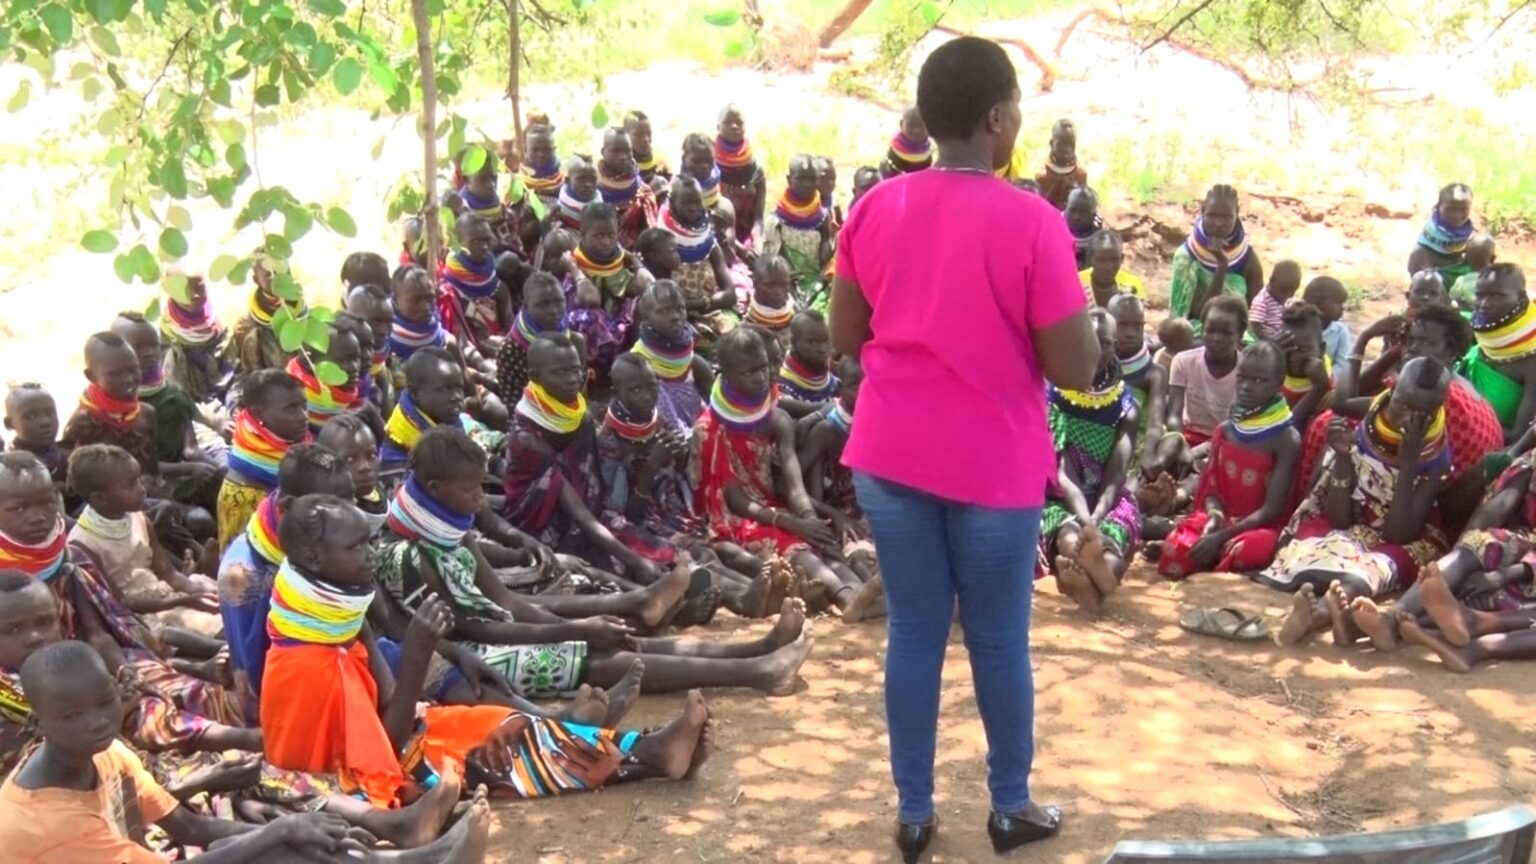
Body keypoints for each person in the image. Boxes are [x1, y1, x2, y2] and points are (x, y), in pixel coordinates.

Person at [829, 38, 1086, 858]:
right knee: (999, 637)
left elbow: (843, 333)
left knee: (913, 631)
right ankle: (1009, 807)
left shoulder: (875, 207)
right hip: (993, 463)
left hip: (892, 452)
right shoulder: (1035, 221)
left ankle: (913, 814)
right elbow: (1075, 366)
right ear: (998, 117)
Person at [264, 493, 720, 806]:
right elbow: (384, 748)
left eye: (368, 540)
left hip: (398, 737)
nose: (368, 553)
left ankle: (641, 747)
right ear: (316, 559)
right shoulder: (306, 660)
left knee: (503, 724)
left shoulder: (341, 619)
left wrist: (429, 662)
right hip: (350, 778)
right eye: (355, 546)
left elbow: (389, 703)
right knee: (490, 761)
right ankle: (647, 758)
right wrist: (420, 653)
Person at [384, 426, 813, 690]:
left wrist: (577, 628)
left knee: (617, 639)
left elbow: (509, 604)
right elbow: (476, 631)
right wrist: (572, 632)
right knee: (606, 660)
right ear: (437, 489)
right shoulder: (412, 554)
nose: (481, 499)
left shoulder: (450, 529)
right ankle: (757, 672)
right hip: (468, 658)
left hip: (498, 634)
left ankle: (757, 648)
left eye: (482, 487)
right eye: (471, 490)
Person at [0, 640, 497, 864]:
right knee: (269, 841)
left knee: (276, 841)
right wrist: (278, 831)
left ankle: (404, 860)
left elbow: (190, 827)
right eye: (72, 716)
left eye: (105, 701)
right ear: (39, 724)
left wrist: (290, 834)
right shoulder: (47, 824)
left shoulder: (104, 754)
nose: (97, 720)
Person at [690, 329, 883, 620]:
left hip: (775, 507)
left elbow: (793, 484)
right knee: (796, 548)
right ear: (726, 374)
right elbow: (734, 499)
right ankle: (849, 600)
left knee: (823, 541)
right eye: (748, 371)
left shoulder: (777, 418)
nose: (760, 377)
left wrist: (807, 518)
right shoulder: (709, 429)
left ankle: (862, 594)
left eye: (764, 367)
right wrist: (787, 520)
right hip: (735, 518)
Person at [1267, 358, 1452, 647]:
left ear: (1439, 408)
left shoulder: (1435, 456)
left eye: (1422, 413)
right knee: (1311, 543)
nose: (1408, 418)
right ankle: (1329, 613)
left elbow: (1398, 534)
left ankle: (1316, 616)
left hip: (1402, 536)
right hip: (1349, 522)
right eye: (1403, 404)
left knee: (1367, 572)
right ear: (1391, 389)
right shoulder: (1365, 420)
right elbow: (1339, 518)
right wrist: (1342, 457)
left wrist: (1408, 464)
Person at [1159, 341, 1299, 578]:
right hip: (1223, 519)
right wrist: (1215, 518)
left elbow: (1272, 510)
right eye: (1242, 377)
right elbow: (1212, 489)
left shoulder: (1286, 439)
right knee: (1177, 546)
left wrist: (1220, 536)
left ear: (1279, 383)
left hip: (1257, 527)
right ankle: (1208, 556)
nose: (1246, 387)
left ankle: (1214, 559)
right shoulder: (1226, 430)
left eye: (1259, 381)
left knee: (1247, 550)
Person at [1039, 310, 1139, 614]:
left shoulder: (1125, 407)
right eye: (1091, 342)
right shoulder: (1054, 398)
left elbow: (1115, 477)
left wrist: (1095, 520)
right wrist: (1086, 522)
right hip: (1061, 498)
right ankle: (1096, 585)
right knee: (1069, 535)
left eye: (1106, 343)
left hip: (1107, 501)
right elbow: (1062, 474)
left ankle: (1091, 579)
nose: (1097, 351)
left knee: (1112, 539)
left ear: (1115, 345)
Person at [66, 445, 221, 638]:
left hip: (165, 594)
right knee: (211, 630)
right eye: (131, 485)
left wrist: (198, 594)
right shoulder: (83, 544)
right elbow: (119, 603)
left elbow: (169, 573)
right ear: (100, 498)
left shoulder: (138, 518)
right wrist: (182, 602)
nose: (142, 489)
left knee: (227, 603)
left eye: (139, 480)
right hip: (136, 615)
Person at [215, 370, 310, 551]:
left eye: (304, 406)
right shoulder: (242, 495)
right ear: (258, 414)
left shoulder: (296, 440)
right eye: (291, 408)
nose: (303, 416)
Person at [379, 347, 505, 480]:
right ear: (414, 392)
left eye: (459, 388)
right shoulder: (401, 459)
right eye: (446, 389)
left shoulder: (446, 419)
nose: (456, 396)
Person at [566, 201, 651, 374]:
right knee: (591, 317)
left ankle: (635, 358)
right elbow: (590, 299)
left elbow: (646, 283)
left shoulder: (619, 255)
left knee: (646, 302)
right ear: (583, 234)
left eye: (611, 235)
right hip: (590, 328)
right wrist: (576, 272)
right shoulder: (574, 262)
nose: (606, 242)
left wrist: (638, 264)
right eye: (598, 236)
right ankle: (591, 372)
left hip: (616, 319)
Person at [1168, 185, 1263, 334]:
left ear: (1237, 214)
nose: (1218, 223)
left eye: (1226, 217)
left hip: (1237, 334)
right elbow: (1199, 315)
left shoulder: (1247, 259)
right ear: (1203, 211)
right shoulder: (1186, 258)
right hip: (1196, 332)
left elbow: (1257, 313)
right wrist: (1222, 266)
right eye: (1212, 215)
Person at [1461, 263, 1536, 439]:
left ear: (1521, 296)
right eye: (1479, 295)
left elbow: (1520, 434)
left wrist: (1465, 428)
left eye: (1497, 296)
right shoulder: (1473, 330)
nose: (1485, 304)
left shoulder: (1531, 361)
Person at [633, 281, 714, 437]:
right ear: (646, 317)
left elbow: (718, 405)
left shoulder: (693, 363)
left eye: (680, 309)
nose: (675, 317)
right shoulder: (639, 367)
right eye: (664, 311)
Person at [657, 176, 737, 333]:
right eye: (685, 202)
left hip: (714, 311)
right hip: (678, 318)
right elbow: (663, 299)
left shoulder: (708, 243)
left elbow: (730, 294)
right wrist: (695, 306)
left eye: (697, 202)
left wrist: (704, 303)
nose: (693, 208)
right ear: (672, 204)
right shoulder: (662, 247)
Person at [1166, 295, 1246, 447]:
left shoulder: (1247, 372)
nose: (1216, 338)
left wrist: (1204, 449)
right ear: (1202, 329)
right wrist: (1183, 447)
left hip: (1227, 441)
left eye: (1226, 333)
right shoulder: (1183, 361)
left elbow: (1240, 426)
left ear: (1240, 333)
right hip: (1186, 435)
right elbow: (1174, 416)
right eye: (1210, 330)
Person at [762, 155, 833, 309]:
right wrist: (792, 289)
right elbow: (773, 265)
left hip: (817, 284)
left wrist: (817, 288)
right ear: (789, 179)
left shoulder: (823, 217)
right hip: (784, 284)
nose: (807, 184)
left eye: (812, 179)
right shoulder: (776, 221)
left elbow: (826, 265)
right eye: (800, 178)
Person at [439, 214, 512, 358]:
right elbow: (465, 341)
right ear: (458, 243)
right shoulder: (450, 293)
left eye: (487, 240)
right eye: (476, 241)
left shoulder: (496, 284)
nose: (484, 247)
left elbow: (509, 324)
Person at [494, 271, 571, 407]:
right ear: (526, 305)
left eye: (559, 302)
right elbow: (513, 404)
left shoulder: (572, 339)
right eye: (543, 304)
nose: (554, 310)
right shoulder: (511, 351)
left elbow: (578, 394)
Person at [224, 257, 307, 376]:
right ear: (256, 280)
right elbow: (252, 379)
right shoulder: (246, 329)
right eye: (269, 275)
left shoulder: (308, 316)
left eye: (281, 271)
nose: (278, 278)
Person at [159, 274, 234, 404]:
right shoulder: (163, 338)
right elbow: (175, 394)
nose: (194, 295)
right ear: (170, 290)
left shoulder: (220, 327)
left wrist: (234, 405)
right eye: (185, 289)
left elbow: (234, 375)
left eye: (200, 288)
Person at [286, 320, 366, 436]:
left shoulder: (360, 403)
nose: (355, 367)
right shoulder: (290, 406)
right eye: (343, 360)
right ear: (311, 362)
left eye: (356, 358)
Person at [597, 127, 659, 247]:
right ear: (603, 152)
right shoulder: (595, 183)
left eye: (628, 151)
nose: (623, 157)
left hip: (635, 237)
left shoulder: (636, 182)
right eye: (615, 151)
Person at [1276, 302, 1334, 431]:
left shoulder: (1329, 389)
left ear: (1321, 349)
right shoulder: (1276, 373)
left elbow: (1289, 430)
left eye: (1302, 350)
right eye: (1286, 349)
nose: (1293, 357)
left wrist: (1319, 388)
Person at [715, 104, 767, 243]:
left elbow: (759, 219)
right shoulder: (710, 170)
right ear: (718, 127)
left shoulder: (757, 171)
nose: (734, 126)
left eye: (739, 122)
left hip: (748, 238)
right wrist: (740, 250)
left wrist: (755, 241)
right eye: (727, 122)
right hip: (720, 240)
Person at [1408, 183, 1476, 286]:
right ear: (1438, 206)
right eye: (1450, 209)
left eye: (1463, 209)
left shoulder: (1471, 236)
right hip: (1434, 294)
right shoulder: (1424, 247)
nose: (1457, 215)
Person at [346, 283, 398, 415]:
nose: (383, 330)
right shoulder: (343, 365)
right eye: (375, 322)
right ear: (351, 317)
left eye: (389, 322)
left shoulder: (383, 363)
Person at [777, 311, 839, 418]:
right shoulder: (781, 384)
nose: (823, 349)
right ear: (793, 342)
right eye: (813, 342)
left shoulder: (835, 381)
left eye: (826, 341)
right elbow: (801, 410)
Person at [4, 385, 65, 492]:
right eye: (31, 416)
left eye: (50, 413)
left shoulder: (67, 457)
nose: (45, 422)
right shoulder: (10, 471)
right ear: (9, 424)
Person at [1079, 229, 1145, 307]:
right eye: (1102, 260)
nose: (1108, 267)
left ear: (1122, 259)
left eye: (1114, 260)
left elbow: (1139, 317)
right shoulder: (1077, 283)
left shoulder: (1132, 284)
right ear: (1090, 258)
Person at [1302, 275, 1353, 373]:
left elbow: (1342, 364)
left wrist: (1327, 379)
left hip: (1328, 383)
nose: (1342, 308)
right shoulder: (1299, 328)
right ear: (1317, 303)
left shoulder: (1341, 331)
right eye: (1338, 303)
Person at [744, 253, 797, 346]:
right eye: (770, 285)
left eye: (784, 284)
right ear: (755, 284)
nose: (778, 292)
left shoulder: (796, 315)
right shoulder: (747, 320)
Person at [1034, 118, 1085, 210]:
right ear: (1051, 144)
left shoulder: (1080, 174)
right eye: (1061, 144)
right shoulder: (1042, 176)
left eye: (1071, 144)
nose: (1067, 149)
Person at [1248, 259, 1301, 341]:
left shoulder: (1289, 297)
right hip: (1267, 340)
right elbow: (1255, 327)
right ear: (1272, 281)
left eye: (1291, 293)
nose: (1286, 297)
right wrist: (1271, 341)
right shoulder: (1262, 301)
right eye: (1283, 292)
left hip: (1284, 335)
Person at [520, 122, 564, 211]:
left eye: (547, 149)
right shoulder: (519, 182)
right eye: (535, 150)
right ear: (525, 150)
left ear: (554, 149)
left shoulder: (564, 180)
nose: (541, 154)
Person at [880, 105, 933, 177]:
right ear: (901, 124)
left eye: (921, 125)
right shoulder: (895, 150)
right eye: (911, 125)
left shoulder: (928, 150)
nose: (916, 130)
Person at [624, 109, 671, 190]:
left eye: (649, 134)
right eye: (638, 135)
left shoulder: (660, 160)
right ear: (626, 135)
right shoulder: (622, 164)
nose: (646, 139)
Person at [1449, 233, 1495, 311]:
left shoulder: (1462, 280)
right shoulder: (1496, 279)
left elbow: (1452, 297)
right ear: (1493, 258)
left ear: (1466, 258)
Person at [554, 157, 600, 231]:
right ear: (567, 181)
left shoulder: (598, 201)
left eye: (593, 179)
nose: (588, 184)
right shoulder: (563, 199)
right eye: (581, 179)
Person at [681, 132, 724, 210]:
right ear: (684, 159)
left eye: (709, 160)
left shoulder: (719, 183)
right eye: (696, 161)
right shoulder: (676, 188)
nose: (704, 166)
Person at [1064, 187, 1103, 269]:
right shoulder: (1053, 227)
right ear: (1065, 206)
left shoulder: (1100, 238)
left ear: (1094, 214)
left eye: (1083, 212)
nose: (1076, 217)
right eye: (1072, 210)